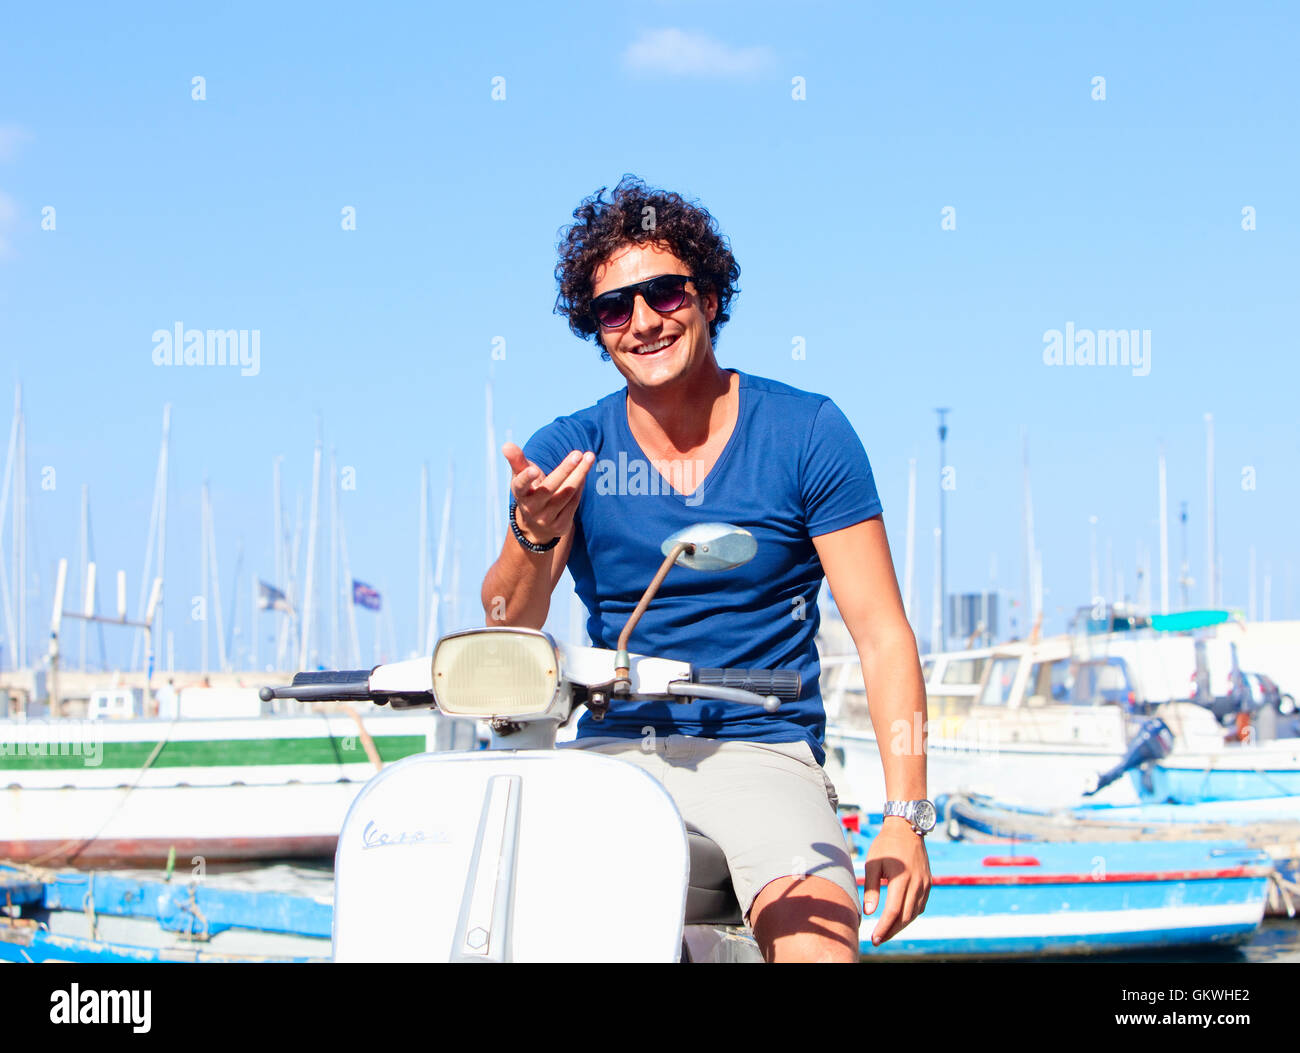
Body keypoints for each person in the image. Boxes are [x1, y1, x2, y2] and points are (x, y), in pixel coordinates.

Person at [480, 175, 930, 962]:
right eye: (615, 307)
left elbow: (883, 634)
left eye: (665, 293)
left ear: (711, 296)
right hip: (614, 754)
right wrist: (533, 532)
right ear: (597, 329)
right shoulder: (569, 450)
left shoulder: (807, 431)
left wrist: (906, 811)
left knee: (820, 948)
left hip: (761, 745)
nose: (644, 321)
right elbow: (506, 622)